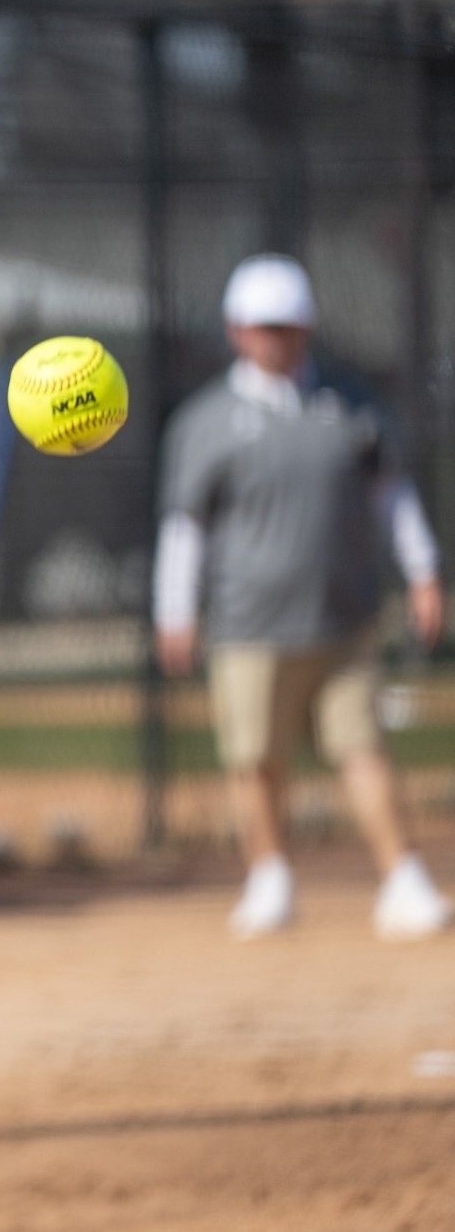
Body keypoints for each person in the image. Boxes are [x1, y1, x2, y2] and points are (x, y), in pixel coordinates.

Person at [155, 253, 448, 940]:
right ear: (234, 330)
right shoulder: (204, 422)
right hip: (248, 624)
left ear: (307, 328)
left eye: (285, 326)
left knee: (363, 747)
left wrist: (425, 572)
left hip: (342, 620)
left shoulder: (351, 406)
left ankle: (402, 879)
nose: (273, 339)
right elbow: (183, 526)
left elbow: (393, 497)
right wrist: (174, 610)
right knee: (256, 757)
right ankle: (270, 878)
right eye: (260, 327)